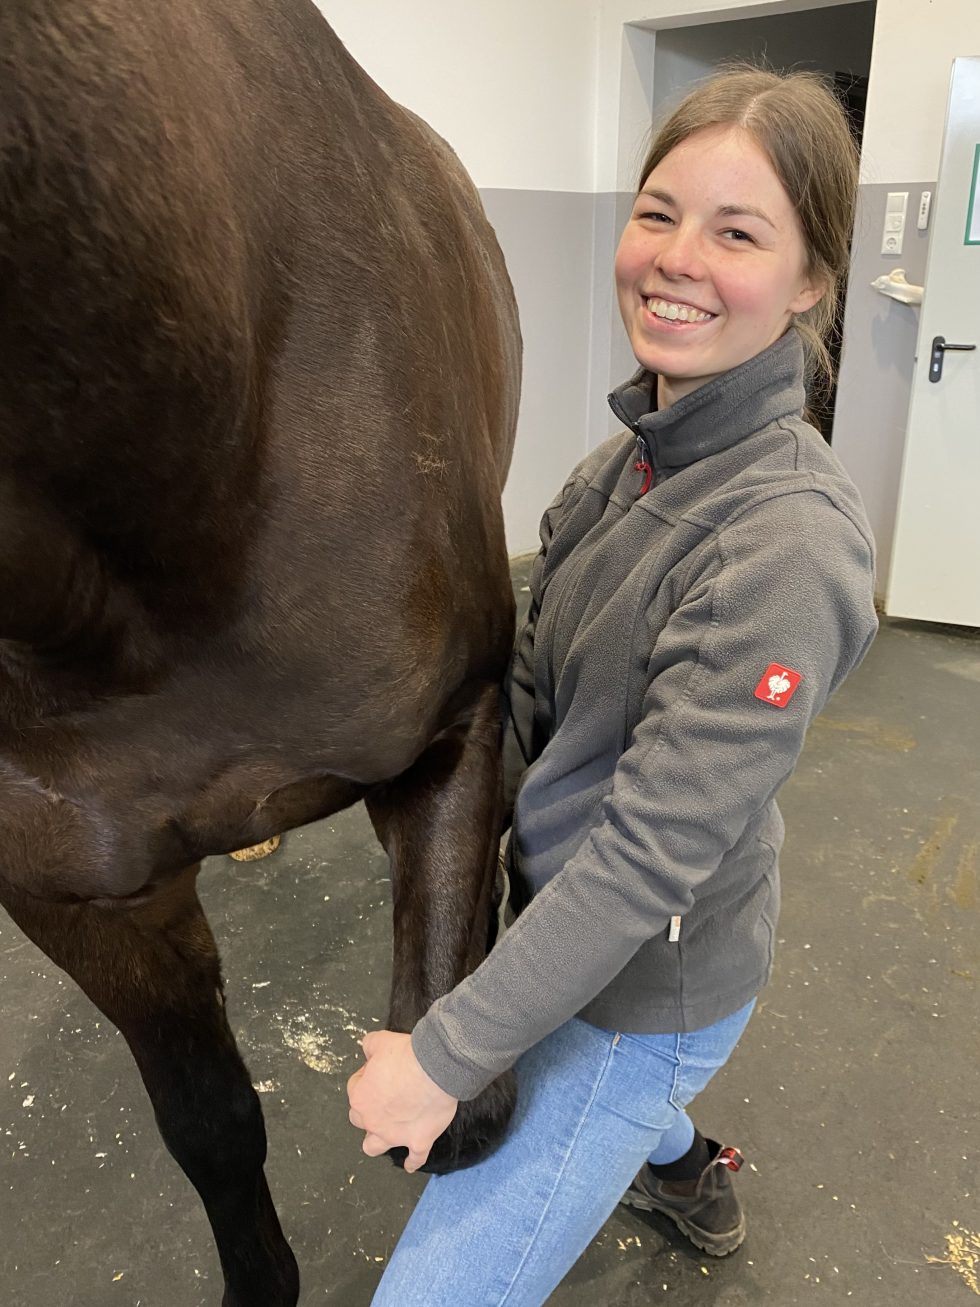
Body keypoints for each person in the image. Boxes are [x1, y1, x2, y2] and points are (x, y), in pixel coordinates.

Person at [347, 66, 878, 1305]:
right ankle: (684, 1161)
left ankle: (655, 1115)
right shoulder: (620, 462)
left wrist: (447, 1050)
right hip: (561, 916)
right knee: (628, 1103)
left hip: (646, 981)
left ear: (809, 282)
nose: (674, 259)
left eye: (736, 232)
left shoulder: (784, 547)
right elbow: (530, 695)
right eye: (656, 212)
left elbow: (645, 859)